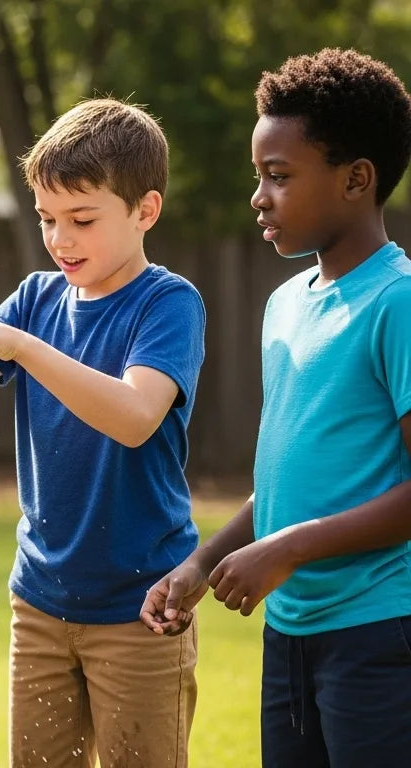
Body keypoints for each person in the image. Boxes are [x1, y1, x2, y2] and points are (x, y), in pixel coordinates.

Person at [0, 98, 206, 767]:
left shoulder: (168, 302)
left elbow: (134, 415)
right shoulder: (36, 298)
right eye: (47, 219)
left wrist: (25, 348)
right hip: (38, 602)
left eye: (81, 220)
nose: (60, 239)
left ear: (145, 211)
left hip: (141, 605)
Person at [141, 48, 411, 767]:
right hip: (288, 637)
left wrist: (287, 549)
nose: (259, 196)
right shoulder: (286, 304)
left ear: (357, 180)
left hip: (379, 637)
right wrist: (205, 560)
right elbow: (295, 481)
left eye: (280, 177)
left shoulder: (399, 303)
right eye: (258, 176)